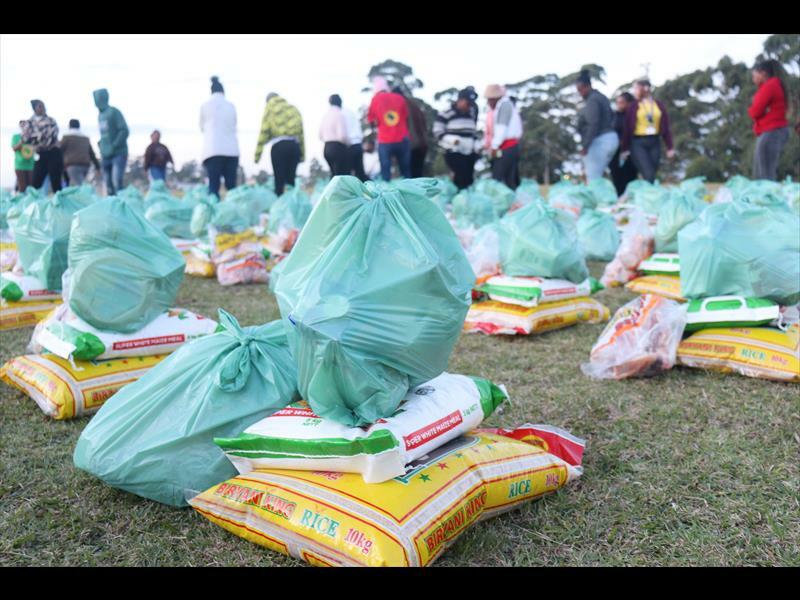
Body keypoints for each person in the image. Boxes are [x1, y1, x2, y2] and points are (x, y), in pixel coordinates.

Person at [620, 79, 674, 184]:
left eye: (636, 88)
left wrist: (670, 147)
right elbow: (627, 128)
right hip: (638, 142)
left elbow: (666, 127)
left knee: (652, 171)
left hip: (654, 141)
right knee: (648, 172)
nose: (634, 91)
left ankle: (646, 190)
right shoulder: (633, 106)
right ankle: (649, 191)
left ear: (646, 88)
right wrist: (624, 148)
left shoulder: (658, 105)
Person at [254, 93, 305, 196]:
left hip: (279, 147)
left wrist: (257, 156)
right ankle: (292, 202)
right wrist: (302, 155)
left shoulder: (270, 107)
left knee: (279, 179)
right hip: (294, 146)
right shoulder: (293, 108)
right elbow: (301, 134)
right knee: (291, 180)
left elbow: (264, 131)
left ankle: (280, 201)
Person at [748, 59, 790, 181]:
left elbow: (755, 112)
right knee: (761, 173)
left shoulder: (770, 86)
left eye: (754, 74)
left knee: (764, 175)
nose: (753, 78)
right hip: (773, 131)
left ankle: (767, 193)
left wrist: (753, 108)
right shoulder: (773, 85)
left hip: (772, 131)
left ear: (763, 73)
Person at [200, 76, 240, 198]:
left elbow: (202, 127)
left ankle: (214, 207)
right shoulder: (230, 106)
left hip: (213, 150)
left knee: (213, 187)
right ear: (223, 91)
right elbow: (234, 124)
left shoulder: (205, 106)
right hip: (231, 151)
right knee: (232, 187)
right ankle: (233, 208)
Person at [575, 70, 619, 183]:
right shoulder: (602, 97)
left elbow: (593, 123)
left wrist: (586, 146)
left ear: (587, 86)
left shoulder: (592, 100)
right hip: (612, 138)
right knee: (598, 176)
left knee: (593, 178)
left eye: (580, 90)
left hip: (600, 140)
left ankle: (594, 195)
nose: (580, 93)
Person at [433, 86, 480, 190]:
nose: (469, 106)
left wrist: (476, 144)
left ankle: (466, 196)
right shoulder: (446, 113)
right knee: (460, 176)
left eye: (471, 104)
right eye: (467, 103)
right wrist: (452, 140)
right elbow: (437, 131)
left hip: (469, 151)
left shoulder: (472, 112)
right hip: (454, 150)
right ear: (460, 100)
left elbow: (473, 131)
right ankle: (460, 196)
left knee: (469, 178)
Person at [367, 76, 411, 181]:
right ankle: (410, 190)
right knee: (406, 172)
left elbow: (371, 121)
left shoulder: (375, 100)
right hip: (402, 138)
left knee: (386, 173)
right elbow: (406, 117)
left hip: (385, 140)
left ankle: (386, 190)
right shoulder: (400, 98)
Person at [483, 84, 523, 190]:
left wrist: (494, 146)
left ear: (494, 98)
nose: (488, 103)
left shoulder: (504, 105)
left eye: (489, 100)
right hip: (511, 146)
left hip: (507, 147)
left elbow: (501, 128)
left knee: (498, 179)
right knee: (509, 180)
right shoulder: (506, 105)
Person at [20, 100, 64, 193]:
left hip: (53, 152)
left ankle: (58, 199)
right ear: (34, 108)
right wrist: (39, 138)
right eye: (40, 106)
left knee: (56, 180)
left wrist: (36, 138)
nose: (43, 108)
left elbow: (52, 136)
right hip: (40, 154)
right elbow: (25, 138)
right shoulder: (29, 123)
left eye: (43, 106)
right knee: (36, 181)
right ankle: (33, 200)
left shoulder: (51, 120)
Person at [93, 88, 129, 195]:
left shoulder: (114, 112)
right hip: (105, 155)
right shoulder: (100, 116)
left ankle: (120, 202)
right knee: (108, 184)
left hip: (118, 153)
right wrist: (101, 144)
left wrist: (114, 145)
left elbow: (124, 130)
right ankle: (112, 203)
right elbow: (105, 134)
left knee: (116, 181)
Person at [394, 87, 428, 178]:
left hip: (409, 145)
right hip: (422, 144)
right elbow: (424, 123)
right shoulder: (414, 105)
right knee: (418, 174)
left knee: (409, 177)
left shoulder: (398, 106)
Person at [608, 92, 638, 196]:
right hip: (616, 151)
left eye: (622, 103)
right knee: (616, 175)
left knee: (629, 175)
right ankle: (619, 197)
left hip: (630, 150)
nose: (619, 105)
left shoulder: (634, 116)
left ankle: (628, 196)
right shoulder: (614, 116)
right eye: (617, 103)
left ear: (629, 103)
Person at [59, 119, 100, 187]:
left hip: (72, 165)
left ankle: (82, 193)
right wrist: (97, 166)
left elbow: (60, 151)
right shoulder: (85, 138)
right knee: (79, 182)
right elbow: (91, 153)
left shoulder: (66, 137)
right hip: (85, 165)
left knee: (77, 185)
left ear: (69, 126)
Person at [319, 95, 350, 176]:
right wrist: (348, 144)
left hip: (327, 148)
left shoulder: (325, 116)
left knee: (333, 174)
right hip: (338, 147)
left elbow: (320, 136)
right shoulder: (340, 114)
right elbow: (342, 136)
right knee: (341, 175)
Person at [341, 99, 367, 181]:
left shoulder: (341, 113)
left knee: (347, 173)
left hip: (349, 145)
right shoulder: (351, 112)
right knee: (360, 172)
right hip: (358, 144)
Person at [11, 121, 34, 192]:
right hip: (19, 165)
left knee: (30, 187)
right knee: (22, 187)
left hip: (30, 165)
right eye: (22, 125)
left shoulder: (33, 137)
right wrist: (22, 141)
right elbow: (14, 149)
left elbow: (37, 148)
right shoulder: (16, 137)